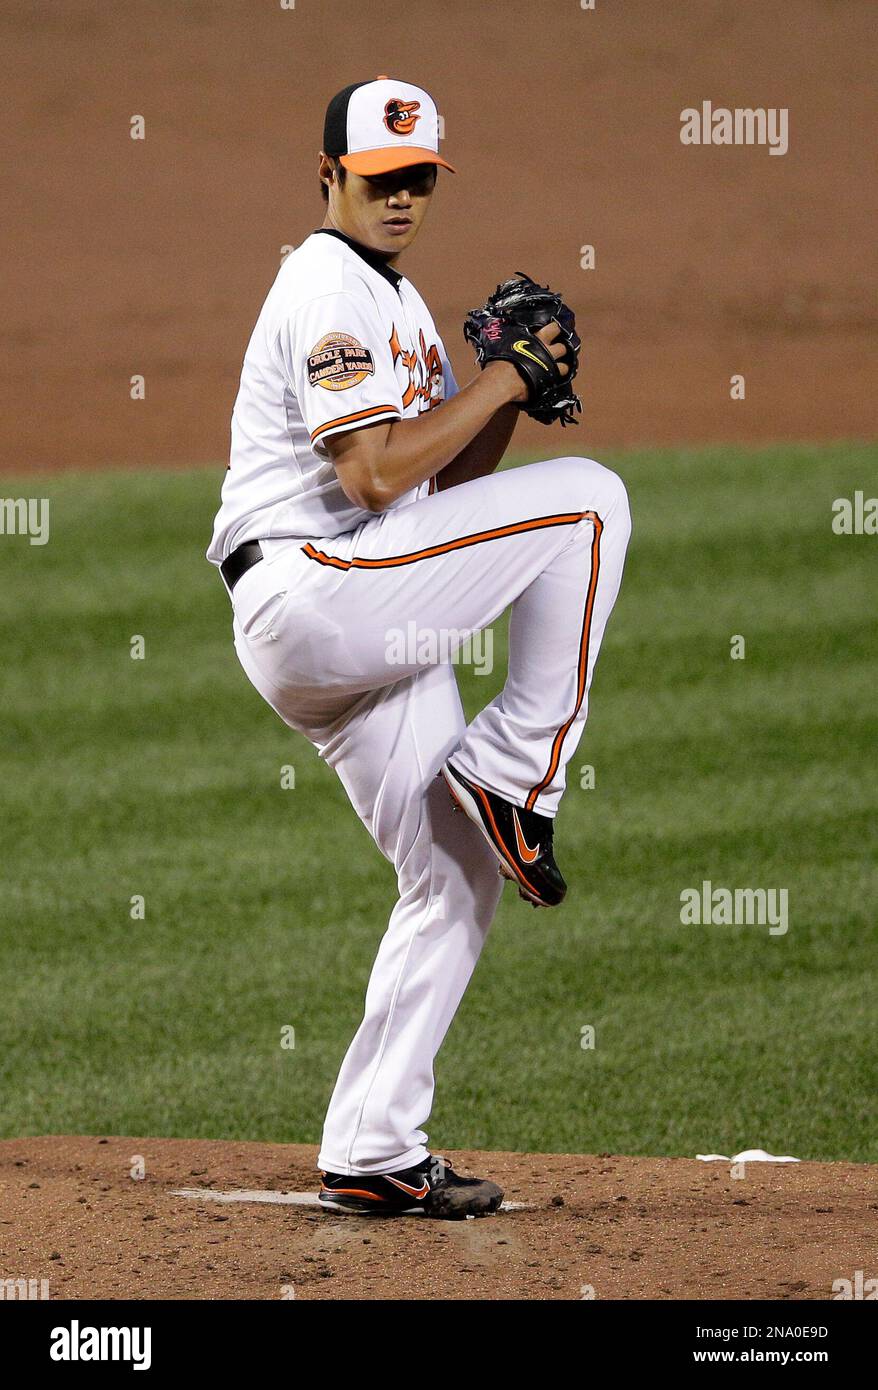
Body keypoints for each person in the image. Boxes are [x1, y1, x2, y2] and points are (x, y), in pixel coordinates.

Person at [207, 76, 631, 1219]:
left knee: (453, 873)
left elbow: (442, 487)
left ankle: (373, 1144)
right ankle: (514, 765)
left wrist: (507, 397)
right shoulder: (327, 287)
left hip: (356, 615)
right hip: (316, 590)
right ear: (329, 177)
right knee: (590, 502)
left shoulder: (390, 300)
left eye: (417, 181)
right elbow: (373, 477)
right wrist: (501, 371)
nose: (400, 198)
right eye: (379, 178)